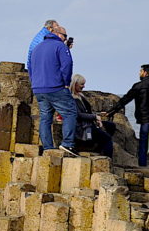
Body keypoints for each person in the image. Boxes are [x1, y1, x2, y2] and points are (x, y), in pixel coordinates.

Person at [104, 64, 149, 168]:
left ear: (145, 73)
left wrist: (111, 112)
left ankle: (142, 166)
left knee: (143, 142)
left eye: (141, 71)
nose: (139, 73)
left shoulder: (139, 86)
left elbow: (125, 99)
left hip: (145, 119)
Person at [29, 23, 78, 156]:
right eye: (64, 36)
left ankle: (48, 148)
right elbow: (67, 65)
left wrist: (34, 83)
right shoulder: (60, 46)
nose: (65, 39)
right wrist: (66, 83)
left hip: (38, 88)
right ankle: (67, 144)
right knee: (70, 113)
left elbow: (31, 67)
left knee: (45, 117)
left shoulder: (37, 48)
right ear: (58, 34)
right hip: (55, 87)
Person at [69, 74, 113, 157]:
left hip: (89, 122)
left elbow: (87, 111)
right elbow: (78, 115)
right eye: (82, 84)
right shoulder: (71, 99)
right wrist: (95, 117)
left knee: (111, 126)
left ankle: (98, 147)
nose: (84, 86)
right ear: (75, 84)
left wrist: (98, 115)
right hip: (83, 126)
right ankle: (107, 158)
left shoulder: (81, 96)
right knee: (107, 138)